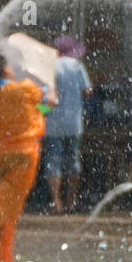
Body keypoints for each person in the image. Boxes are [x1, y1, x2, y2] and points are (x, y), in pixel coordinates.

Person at [0, 55, 45, 262]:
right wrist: (50, 100)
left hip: (1, 156)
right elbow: (44, 102)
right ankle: (0, 260)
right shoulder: (24, 88)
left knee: (8, 208)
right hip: (25, 155)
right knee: (0, 207)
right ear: (5, 69)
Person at [42, 35, 92, 215]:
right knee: (72, 160)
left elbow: (44, 95)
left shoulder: (50, 66)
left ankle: (56, 201)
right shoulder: (77, 66)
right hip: (73, 123)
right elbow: (87, 90)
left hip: (53, 123)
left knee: (53, 161)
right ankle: (71, 199)